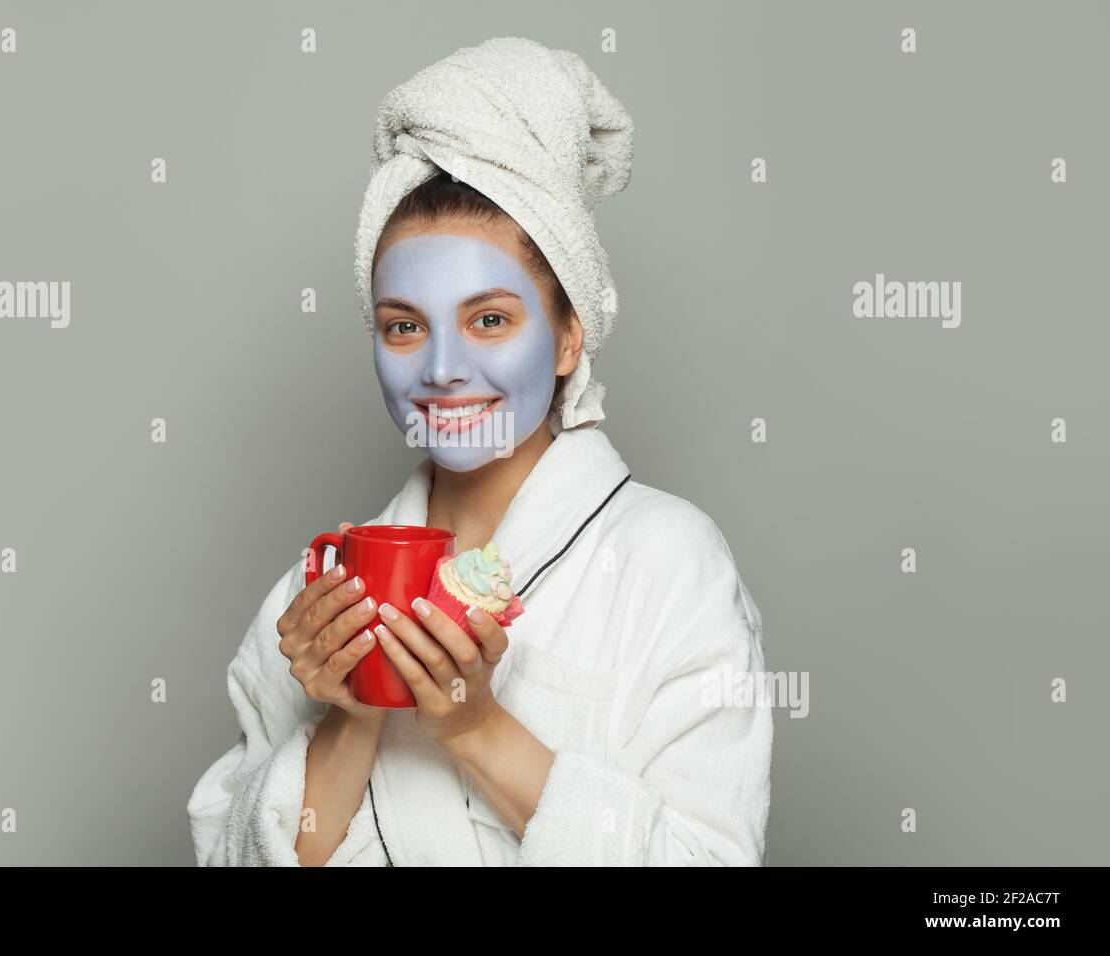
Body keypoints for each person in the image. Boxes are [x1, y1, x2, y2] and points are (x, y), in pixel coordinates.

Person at [187, 37, 772, 866]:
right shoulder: (317, 596)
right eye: (403, 326)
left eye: (489, 319)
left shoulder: (668, 562)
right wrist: (353, 715)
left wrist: (475, 727)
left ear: (571, 337)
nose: (441, 369)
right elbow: (232, 858)